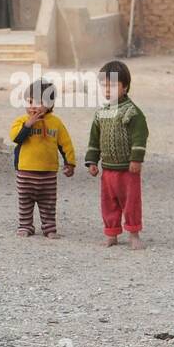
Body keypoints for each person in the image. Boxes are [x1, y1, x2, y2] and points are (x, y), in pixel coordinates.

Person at [85, 60, 149, 249]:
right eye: (104, 85)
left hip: (128, 170)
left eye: (112, 85)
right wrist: (92, 161)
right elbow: (94, 139)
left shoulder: (132, 112)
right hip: (108, 170)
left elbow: (140, 136)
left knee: (131, 202)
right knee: (109, 202)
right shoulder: (101, 114)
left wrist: (136, 159)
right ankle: (111, 233)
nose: (107, 89)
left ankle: (134, 233)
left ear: (125, 86)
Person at [9, 79, 76, 237]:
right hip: (25, 172)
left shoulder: (55, 123)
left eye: (38, 102)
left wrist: (70, 163)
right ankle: (26, 226)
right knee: (25, 202)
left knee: (48, 202)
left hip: (48, 173)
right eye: (30, 101)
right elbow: (16, 138)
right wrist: (28, 124)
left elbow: (65, 144)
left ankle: (49, 228)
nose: (32, 105)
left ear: (50, 104)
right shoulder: (21, 121)